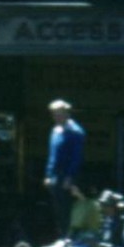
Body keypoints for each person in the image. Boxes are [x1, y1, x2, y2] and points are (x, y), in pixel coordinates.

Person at [46, 100, 86, 236]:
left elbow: (76, 157)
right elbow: (52, 155)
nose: (56, 117)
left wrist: (69, 177)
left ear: (67, 113)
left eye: (59, 114)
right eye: (54, 114)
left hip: (68, 176)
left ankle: (70, 236)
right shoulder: (55, 130)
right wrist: (48, 174)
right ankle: (62, 235)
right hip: (55, 175)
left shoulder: (75, 132)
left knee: (68, 208)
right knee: (57, 208)